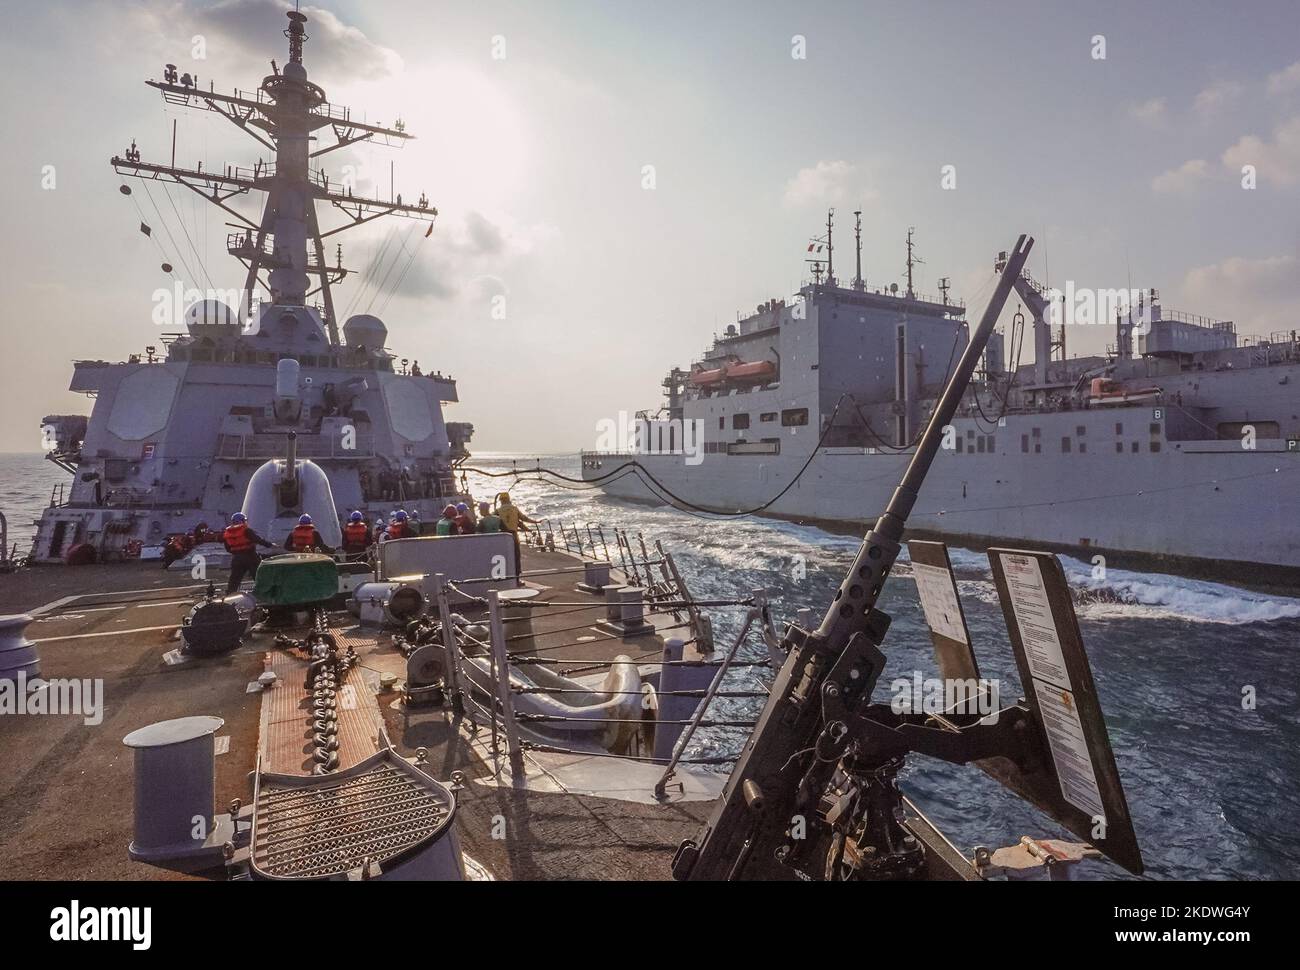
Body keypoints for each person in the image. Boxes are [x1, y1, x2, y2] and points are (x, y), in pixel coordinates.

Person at [222, 512, 274, 594]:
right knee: (258, 576)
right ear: (242, 521)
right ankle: (264, 594)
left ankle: (229, 595)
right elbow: (258, 540)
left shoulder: (227, 533)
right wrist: (270, 545)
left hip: (236, 558)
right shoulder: (246, 530)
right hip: (250, 556)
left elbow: (228, 548)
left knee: (234, 579)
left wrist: (237, 552)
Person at [495, 492, 537, 569]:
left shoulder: (498, 511)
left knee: (504, 556)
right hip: (514, 536)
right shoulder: (515, 509)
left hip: (503, 536)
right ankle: (517, 575)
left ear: (501, 500)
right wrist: (535, 522)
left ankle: (506, 573)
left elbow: (493, 521)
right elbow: (524, 519)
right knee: (516, 556)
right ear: (508, 499)